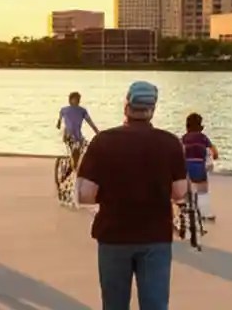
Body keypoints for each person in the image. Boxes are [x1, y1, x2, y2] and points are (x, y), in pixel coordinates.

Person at [76, 81, 187, 310]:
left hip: (113, 235)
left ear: (126, 105)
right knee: (155, 304)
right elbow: (180, 193)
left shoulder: (103, 142)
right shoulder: (170, 143)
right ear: (153, 108)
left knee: (114, 305)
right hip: (155, 237)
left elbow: (84, 195)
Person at [181, 112, 220, 221]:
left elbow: (179, 151)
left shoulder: (184, 138)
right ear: (201, 127)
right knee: (203, 190)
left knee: (186, 189)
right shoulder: (204, 138)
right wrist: (215, 157)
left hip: (186, 167)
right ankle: (205, 213)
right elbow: (214, 152)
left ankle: (185, 209)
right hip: (199, 166)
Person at [57, 91, 99, 167]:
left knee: (86, 147)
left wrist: (97, 132)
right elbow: (59, 121)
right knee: (76, 151)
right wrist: (59, 124)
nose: (77, 101)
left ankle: (76, 165)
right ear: (70, 100)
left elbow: (90, 122)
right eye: (75, 99)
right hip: (68, 135)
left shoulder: (82, 111)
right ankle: (75, 168)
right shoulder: (64, 110)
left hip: (78, 136)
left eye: (78, 99)